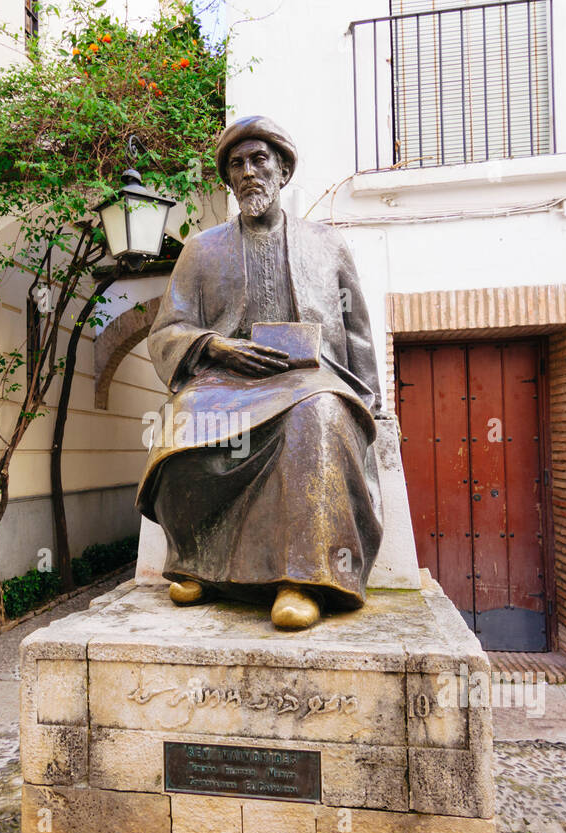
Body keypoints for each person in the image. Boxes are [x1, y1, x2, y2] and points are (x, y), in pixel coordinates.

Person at [135, 116, 384, 629]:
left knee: (315, 416)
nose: (248, 172)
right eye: (236, 164)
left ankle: (302, 579)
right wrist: (219, 348)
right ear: (227, 179)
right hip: (226, 382)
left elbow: (356, 329)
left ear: (282, 171)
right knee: (182, 420)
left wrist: (372, 401)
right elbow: (167, 331)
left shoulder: (328, 246)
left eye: (258, 160)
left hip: (311, 378)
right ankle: (199, 562)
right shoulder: (201, 250)